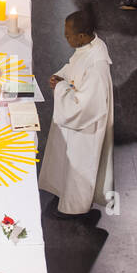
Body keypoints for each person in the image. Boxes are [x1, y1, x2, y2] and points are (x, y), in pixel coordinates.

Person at [37, 11, 114, 219]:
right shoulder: (89, 46)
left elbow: (84, 107)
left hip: (85, 128)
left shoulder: (98, 65)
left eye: (68, 35)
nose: (66, 38)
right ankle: (63, 192)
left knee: (78, 165)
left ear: (82, 36)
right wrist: (61, 75)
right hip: (75, 120)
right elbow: (74, 66)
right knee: (66, 160)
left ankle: (74, 207)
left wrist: (61, 88)